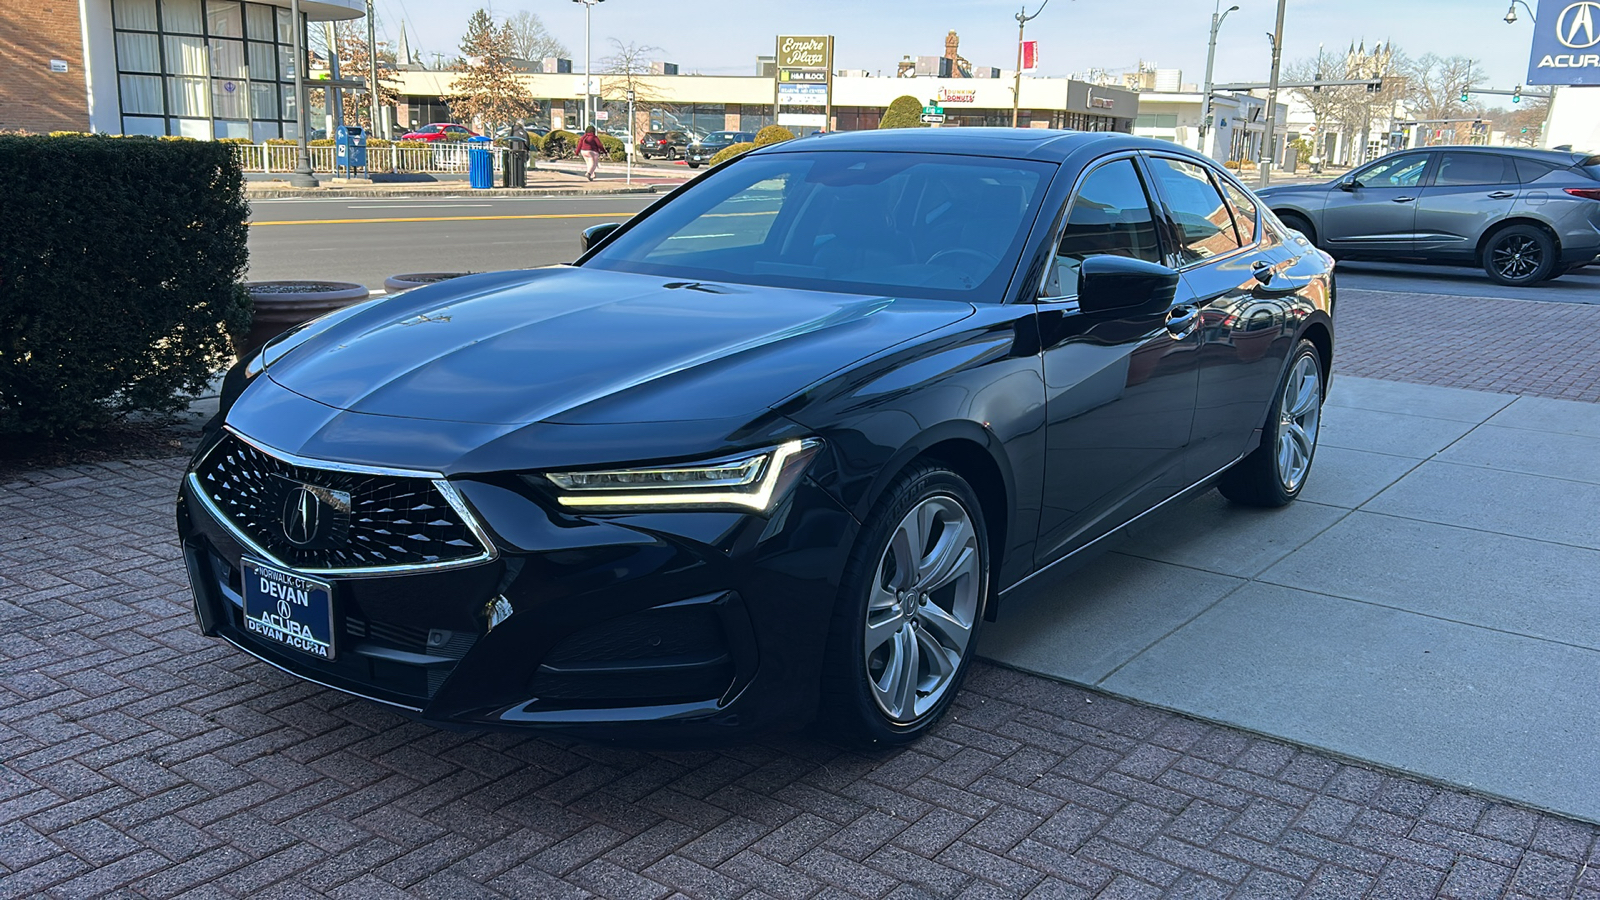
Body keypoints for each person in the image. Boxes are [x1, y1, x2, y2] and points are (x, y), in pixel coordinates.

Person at [507, 121, 530, 188]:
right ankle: (520, 182)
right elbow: (527, 142)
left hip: (512, 152)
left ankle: (512, 182)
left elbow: (509, 141)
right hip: (521, 152)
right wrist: (527, 150)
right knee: (521, 168)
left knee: (512, 167)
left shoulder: (511, 132)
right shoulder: (523, 131)